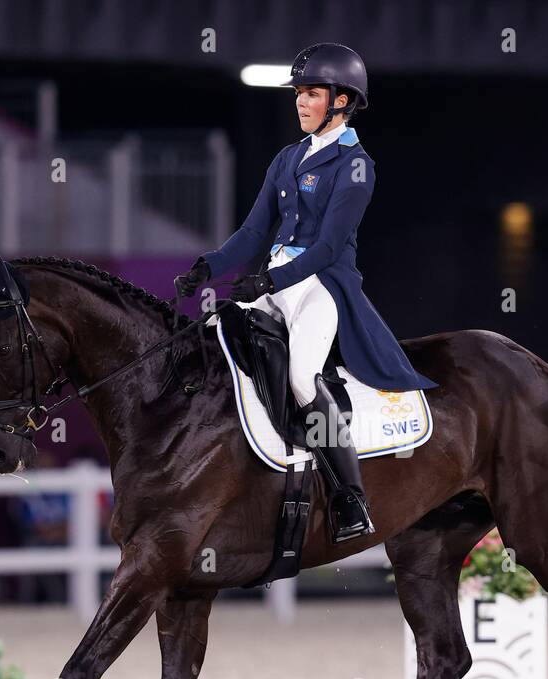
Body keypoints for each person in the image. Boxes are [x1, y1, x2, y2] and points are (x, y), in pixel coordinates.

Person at [175, 42, 437, 545]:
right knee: (213, 341)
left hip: (321, 287)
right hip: (274, 281)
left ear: (341, 101)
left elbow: (329, 246)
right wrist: (208, 267)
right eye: (299, 93)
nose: (300, 102)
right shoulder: (287, 158)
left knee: (300, 376)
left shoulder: (357, 166)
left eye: (311, 93)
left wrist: (269, 282)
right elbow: (254, 234)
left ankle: (350, 497)